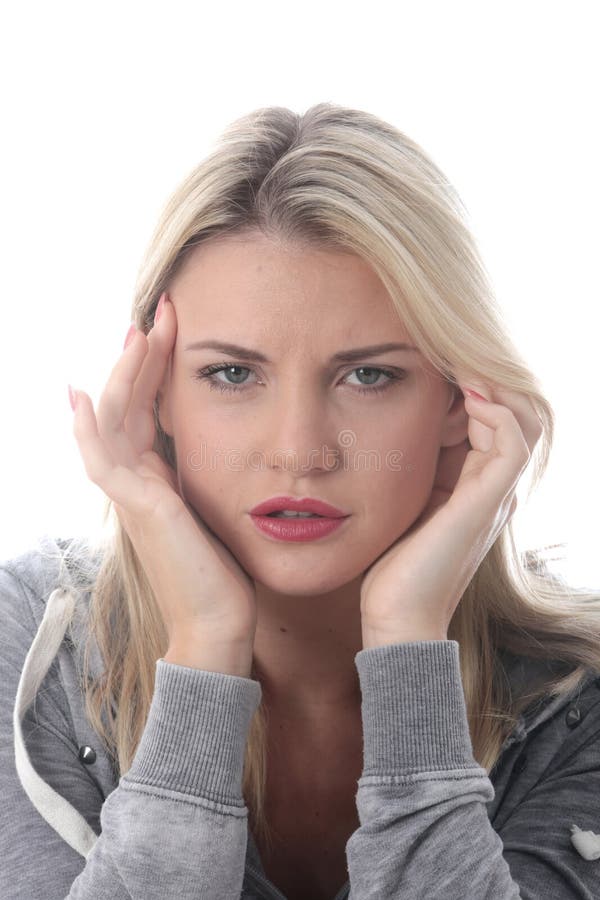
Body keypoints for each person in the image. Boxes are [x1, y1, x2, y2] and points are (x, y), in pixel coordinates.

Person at [2, 103, 600, 900]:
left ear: (462, 399)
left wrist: (407, 646)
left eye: (369, 375)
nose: (300, 450)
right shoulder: (30, 655)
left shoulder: (577, 696)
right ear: (154, 395)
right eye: (233, 374)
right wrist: (205, 643)